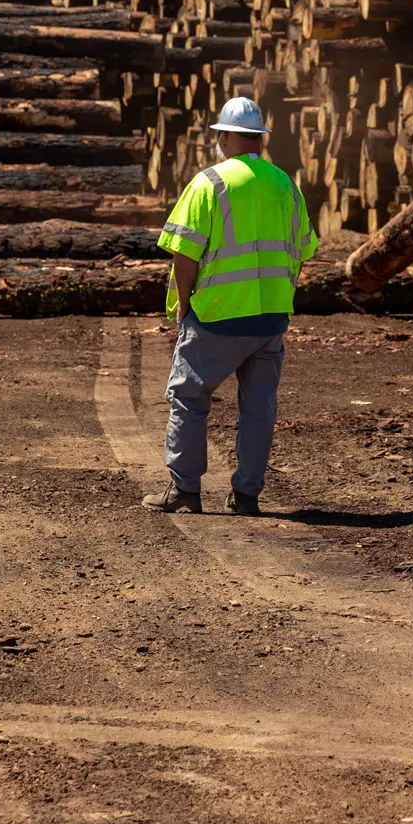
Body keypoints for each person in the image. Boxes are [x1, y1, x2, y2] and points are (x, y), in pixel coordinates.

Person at [144, 97, 317, 516]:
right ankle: (247, 496)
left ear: (223, 137)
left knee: (189, 397)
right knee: (259, 409)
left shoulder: (210, 183)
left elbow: (184, 254)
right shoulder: (285, 185)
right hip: (271, 318)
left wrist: (183, 305)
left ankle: (185, 492)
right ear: (259, 139)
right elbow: (303, 249)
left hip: (219, 316)